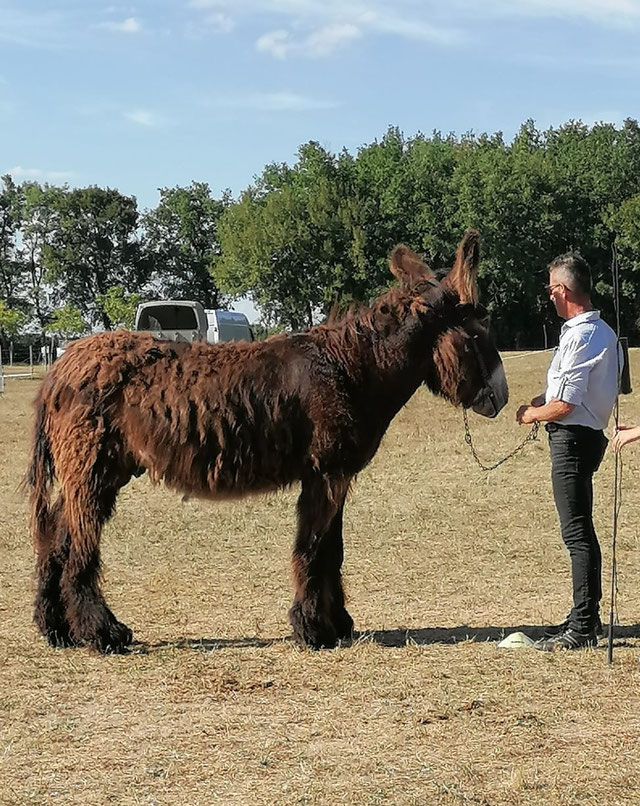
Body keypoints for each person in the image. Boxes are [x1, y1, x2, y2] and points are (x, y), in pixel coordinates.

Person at [516, 252, 620, 651]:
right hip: (586, 437)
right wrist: (545, 398)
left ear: (562, 291)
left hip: (572, 440)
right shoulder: (601, 331)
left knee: (576, 533)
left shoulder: (578, 336)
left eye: (550, 290)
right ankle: (583, 615)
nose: (549, 298)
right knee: (580, 531)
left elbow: (566, 405)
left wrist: (531, 414)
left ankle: (582, 626)